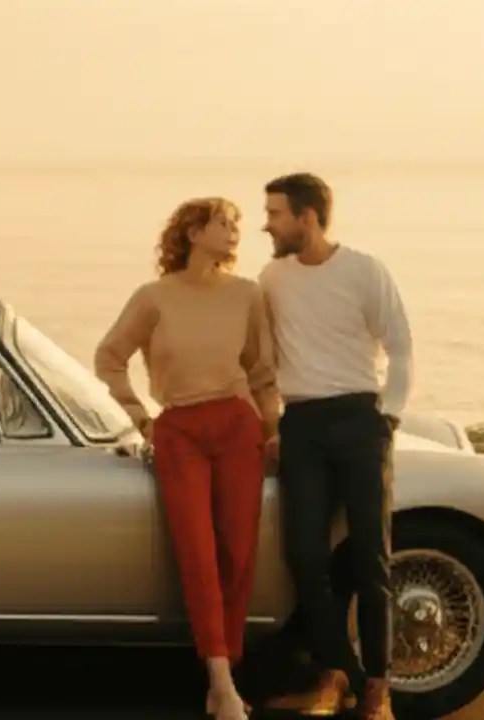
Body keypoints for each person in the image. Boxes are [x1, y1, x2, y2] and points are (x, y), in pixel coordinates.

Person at [94, 196, 281, 720]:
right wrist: (141, 417)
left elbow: (263, 372)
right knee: (196, 551)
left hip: (237, 427)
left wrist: (273, 431)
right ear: (193, 231)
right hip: (179, 432)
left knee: (238, 552)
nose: (234, 232)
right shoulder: (154, 297)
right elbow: (109, 358)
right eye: (223, 223)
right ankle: (220, 683)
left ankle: (228, 668)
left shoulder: (247, 294)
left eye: (237, 225)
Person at [256, 173, 413, 720]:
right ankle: (333, 674)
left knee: (372, 558)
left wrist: (387, 418)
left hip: (359, 419)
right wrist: (271, 422)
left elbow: (401, 347)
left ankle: (377, 688)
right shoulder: (272, 277)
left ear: (307, 217)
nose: (266, 223)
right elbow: (265, 358)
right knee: (305, 555)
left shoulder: (365, 271)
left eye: (274, 213)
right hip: (301, 425)